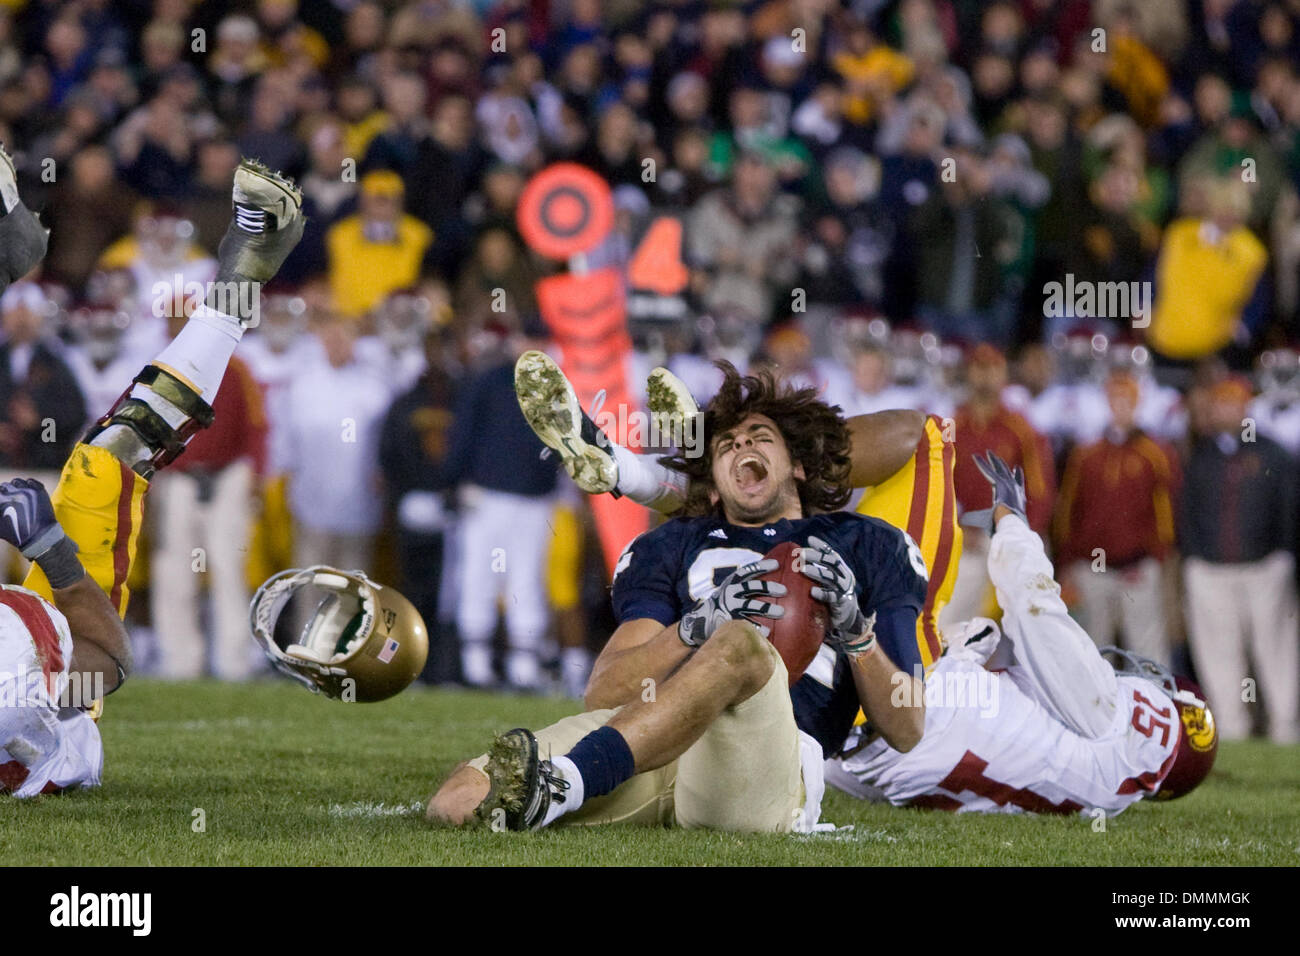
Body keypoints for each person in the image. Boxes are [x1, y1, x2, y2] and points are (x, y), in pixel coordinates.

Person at [427, 362, 929, 832]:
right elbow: (605, 691)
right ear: (711, 483)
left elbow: (906, 727)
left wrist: (858, 633)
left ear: (797, 465)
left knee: (739, 643)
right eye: (726, 444)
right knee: (459, 801)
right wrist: (695, 627)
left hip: (763, 761)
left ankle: (566, 782)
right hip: (656, 736)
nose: (741, 447)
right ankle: (567, 783)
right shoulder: (673, 545)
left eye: (761, 438)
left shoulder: (863, 542)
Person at [0, 152, 303, 795]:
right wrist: (49, 551)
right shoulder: (11, 690)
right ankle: (243, 276)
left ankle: (7, 258)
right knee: (112, 456)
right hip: (53, 692)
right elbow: (110, 659)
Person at [829, 453, 1218, 814]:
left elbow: (1035, 608)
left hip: (906, 701)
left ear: (1161, 717)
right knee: (978, 635)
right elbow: (1005, 746)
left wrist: (1012, 522)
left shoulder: (1114, 719)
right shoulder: (1105, 792)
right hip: (878, 760)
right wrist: (964, 659)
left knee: (923, 444)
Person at [1055, 369, 1180, 667]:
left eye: (1127, 399)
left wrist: (1156, 558)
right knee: (1094, 653)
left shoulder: (1155, 453)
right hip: (1092, 567)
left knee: (1147, 653)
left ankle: (1151, 712)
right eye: (1115, 399)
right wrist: (1067, 563)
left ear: (1137, 403)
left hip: (1137, 568)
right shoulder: (1085, 454)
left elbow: (1167, 511)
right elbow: (1068, 511)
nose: (1120, 405)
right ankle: (1096, 714)